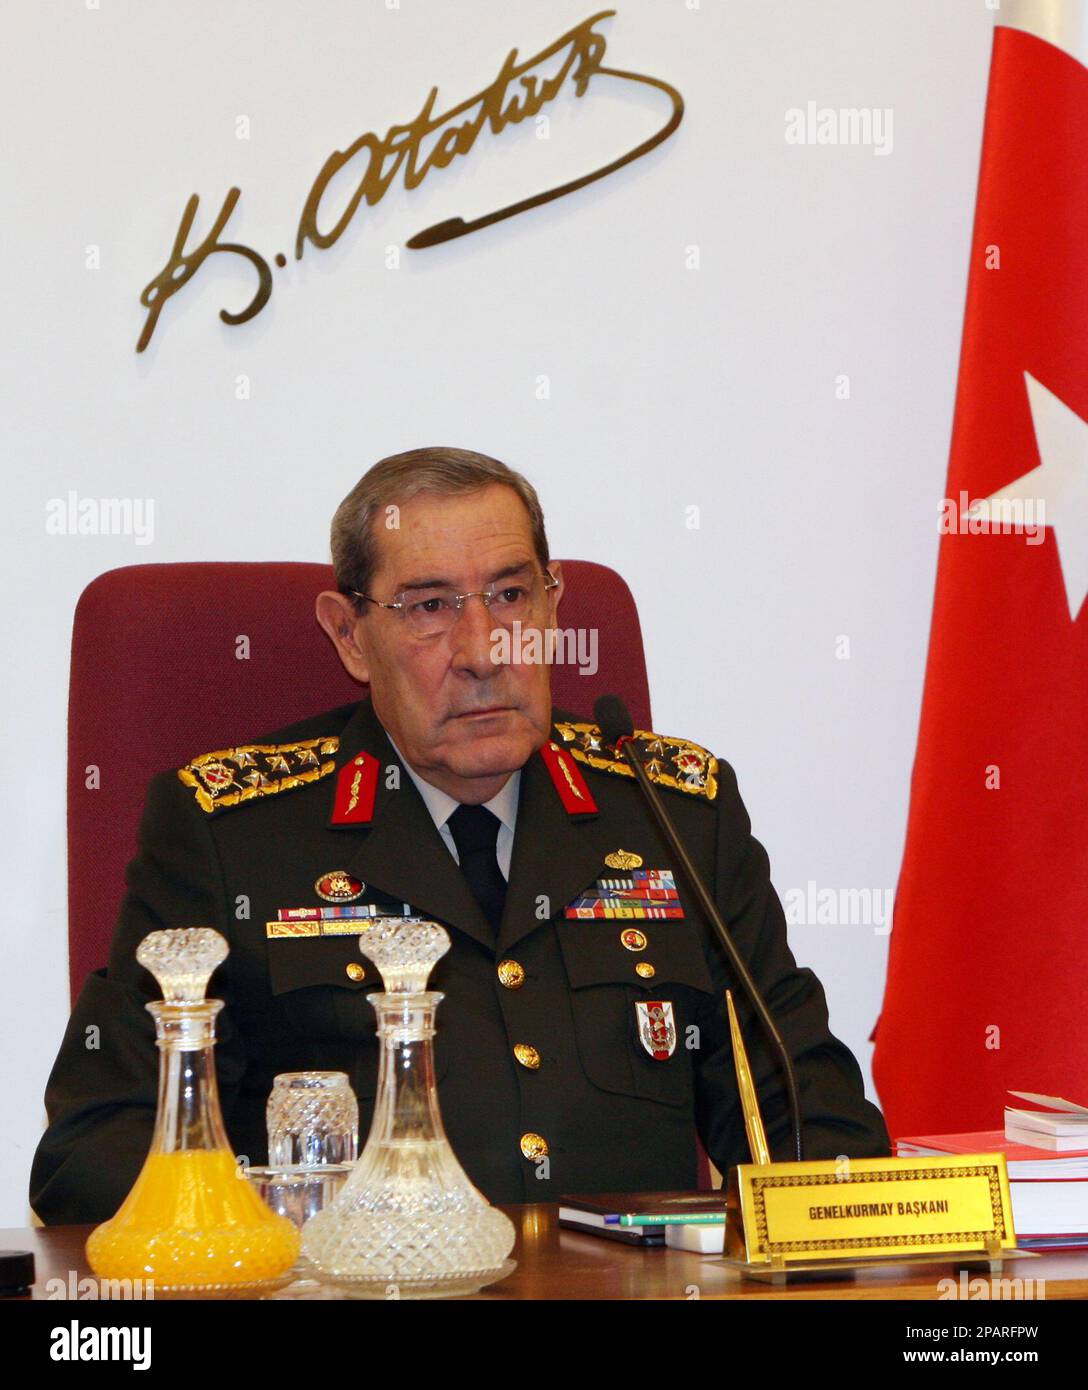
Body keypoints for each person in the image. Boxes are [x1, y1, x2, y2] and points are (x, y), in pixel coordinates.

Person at [30, 447, 889, 1223]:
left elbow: (814, 1123)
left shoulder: (674, 813)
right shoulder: (232, 833)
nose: (484, 650)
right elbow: (91, 1154)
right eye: (430, 607)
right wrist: (294, 1216)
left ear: (554, 607)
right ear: (349, 634)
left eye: (511, 594)